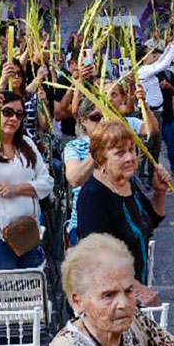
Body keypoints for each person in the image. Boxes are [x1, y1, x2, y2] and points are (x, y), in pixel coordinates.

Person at [48, 233, 174, 346]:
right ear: (78, 302)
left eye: (128, 291)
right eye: (108, 295)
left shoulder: (136, 322)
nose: (124, 304)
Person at [77, 120, 171, 294]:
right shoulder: (92, 196)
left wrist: (160, 192)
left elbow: (149, 222)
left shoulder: (129, 183)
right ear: (101, 158)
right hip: (109, 299)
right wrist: (137, 290)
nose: (130, 158)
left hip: (132, 295)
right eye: (120, 153)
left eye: (131, 150)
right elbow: (96, 261)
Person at [0, 89, 53, 270]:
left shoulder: (27, 144)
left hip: (28, 231)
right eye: (7, 112)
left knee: (28, 289)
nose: (13, 118)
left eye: (19, 114)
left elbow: (47, 183)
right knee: (7, 291)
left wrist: (16, 189)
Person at [136, 44, 174, 185]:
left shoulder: (149, 70)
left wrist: (167, 48)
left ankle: (152, 176)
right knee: (146, 147)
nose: (153, 56)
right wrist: (173, 48)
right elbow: (163, 64)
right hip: (149, 113)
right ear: (142, 57)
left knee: (156, 147)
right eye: (150, 54)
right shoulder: (143, 71)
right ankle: (142, 177)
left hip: (157, 112)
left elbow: (161, 62)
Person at [63, 98, 101, 247]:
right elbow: (74, 178)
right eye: (96, 117)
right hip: (83, 225)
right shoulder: (74, 146)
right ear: (83, 120)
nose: (102, 121)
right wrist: (99, 148)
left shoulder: (118, 144)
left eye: (106, 116)